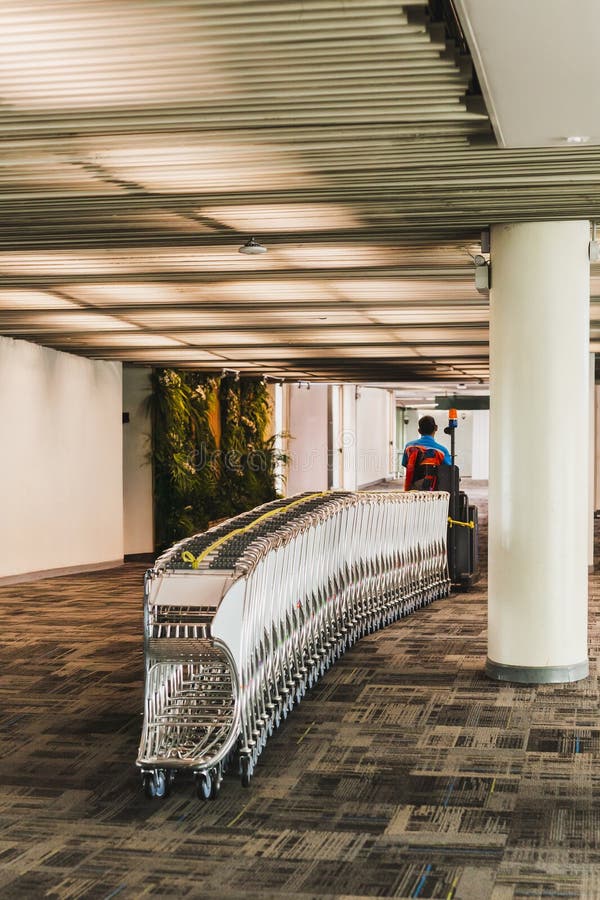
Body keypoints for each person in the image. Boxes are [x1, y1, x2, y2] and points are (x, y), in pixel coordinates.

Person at [402, 415, 452, 491]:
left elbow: (406, 464)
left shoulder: (409, 447)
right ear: (436, 428)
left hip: (413, 490)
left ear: (419, 430)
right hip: (434, 491)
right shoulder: (442, 451)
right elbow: (448, 470)